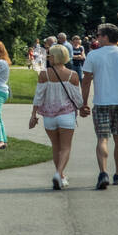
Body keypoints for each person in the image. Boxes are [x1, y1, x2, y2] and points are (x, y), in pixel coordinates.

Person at [80, 23, 118, 190]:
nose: (97, 38)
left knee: (102, 138)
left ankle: (103, 172)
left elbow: (86, 81)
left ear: (106, 37)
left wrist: (84, 103)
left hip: (101, 102)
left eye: (99, 35)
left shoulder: (94, 55)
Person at [30, 44, 81, 189]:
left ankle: (61, 175)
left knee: (56, 146)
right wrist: (81, 108)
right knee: (65, 147)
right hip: (66, 115)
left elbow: (38, 96)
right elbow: (77, 99)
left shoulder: (44, 74)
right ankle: (59, 173)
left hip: (49, 116)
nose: (48, 58)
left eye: (50, 55)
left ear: (55, 57)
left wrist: (33, 114)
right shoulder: (73, 75)